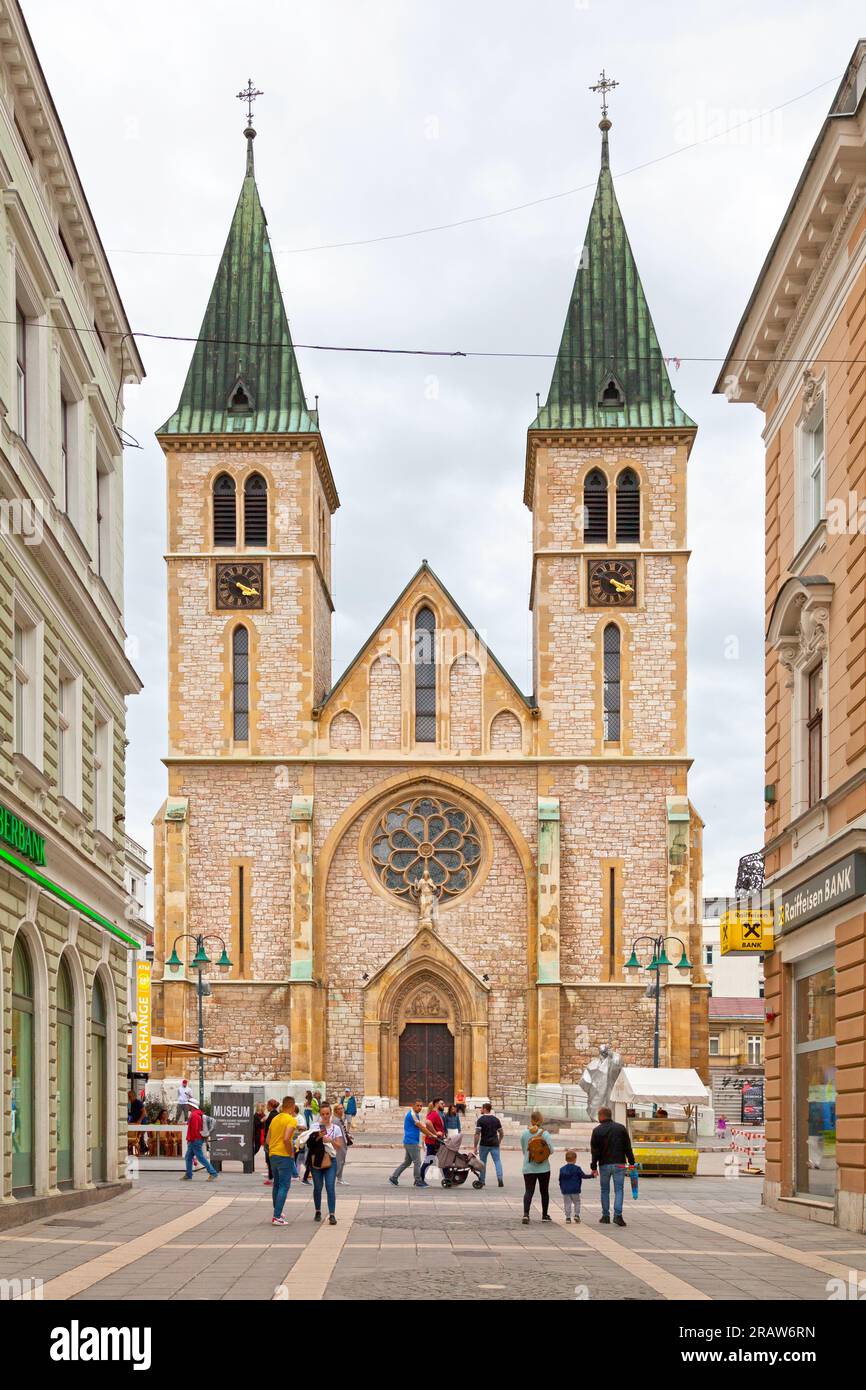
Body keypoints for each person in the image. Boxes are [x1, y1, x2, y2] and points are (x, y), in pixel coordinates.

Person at [590, 1106, 635, 1227]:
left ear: (601, 1116)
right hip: (619, 1164)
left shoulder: (597, 1131)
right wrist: (631, 1162)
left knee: (605, 1190)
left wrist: (593, 1167)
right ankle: (618, 1215)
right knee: (619, 1189)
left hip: (604, 1164)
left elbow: (595, 1151)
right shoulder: (621, 1128)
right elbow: (627, 1147)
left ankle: (605, 1216)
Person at [306, 1102, 343, 1225]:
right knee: (317, 1187)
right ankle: (317, 1211)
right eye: (323, 1114)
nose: (325, 1116)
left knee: (330, 1186)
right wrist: (318, 1137)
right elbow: (309, 1144)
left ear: (331, 1113)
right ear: (320, 1114)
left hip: (330, 1160)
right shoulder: (314, 1126)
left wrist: (330, 1140)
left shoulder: (335, 1128)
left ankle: (332, 1214)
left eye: (327, 1114)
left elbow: (339, 1146)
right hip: (316, 1160)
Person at [389, 1099, 437, 1187]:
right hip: (411, 1142)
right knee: (417, 1162)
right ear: (413, 1106)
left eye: (421, 1106)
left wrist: (429, 1134)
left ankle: (394, 1177)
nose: (420, 1108)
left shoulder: (416, 1114)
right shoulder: (412, 1115)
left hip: (409, 1141)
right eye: (418, 1105)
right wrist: (431, 1134)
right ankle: (418, 1181)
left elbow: (421, 1127)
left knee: (407, 1162)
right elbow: (421, 1127)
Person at [266, 1097, 298, 1225]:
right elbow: (286, 1138)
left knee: (277, 1185)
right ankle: (277, 1216)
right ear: (292, 1106)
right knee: (284, 1186)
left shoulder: (275, 1119)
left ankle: (277, 1211)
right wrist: (290, 1152)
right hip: (284, 1155)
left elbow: (268, 1139)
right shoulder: (291, 1120)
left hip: (273, 1154)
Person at [520, 1110, 554, 1223]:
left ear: (531, 1120)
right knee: (544, 1192)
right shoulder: (545, 1134)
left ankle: (526, 1214)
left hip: (528, 1167)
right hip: (544, 1168)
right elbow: (551, 1151)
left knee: (528, 1191)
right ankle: (544, 1215)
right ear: (541, 1120)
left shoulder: (524, 1133)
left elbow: (524, 1151)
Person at [180, 1100, 218, 1181]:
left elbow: (195, 1129)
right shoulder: (198, 1114)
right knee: (188, 1157)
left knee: (200, 1157)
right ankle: (188, 1174)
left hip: (194, 1140)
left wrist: (190, 1140)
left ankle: (213, 1172)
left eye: (188, 1105)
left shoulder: (194, 1115)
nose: (187, 1106)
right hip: (196, 1139)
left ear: (192, 1106)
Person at [558, 1149, 594, 1223]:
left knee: (567, 1203)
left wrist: (562, 1187)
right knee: (577, 1202)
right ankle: (576, 1215)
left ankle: (568, 1217)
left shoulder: (562, 1169)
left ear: (565, 1159)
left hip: (565, 1190)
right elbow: (583, 1176)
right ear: (575, 1159)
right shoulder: (577, 1169)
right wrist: (592, 1175)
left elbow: (560, 1179)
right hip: (575, 1189)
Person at [473, 1102, 504, 1188]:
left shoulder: (480, 1120)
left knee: (483, 1162)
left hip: (484, 1144)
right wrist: (499, 1141)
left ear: (485, 1109)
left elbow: (477, 1134)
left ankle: (482, 1180)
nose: (480, 1110)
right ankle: (500, 1178)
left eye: (482, 1108)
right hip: (494, 1143)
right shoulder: (496, 1120)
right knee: (497, 1161)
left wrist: (475, 1147)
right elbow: (501, 1133)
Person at [419, 1099, 446, 1185]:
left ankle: (448, 1178)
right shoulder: (434, 1114)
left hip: (436, 1141)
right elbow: (427, 1122)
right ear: (437, 1104)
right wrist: (435, 1133)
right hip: (432, 1142)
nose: (444, 1105)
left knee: (442, 1159)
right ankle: (420, 1179)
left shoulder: (436, 1114)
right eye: (442, 1103)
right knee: (429, 1160)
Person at [262, 1098, 280, 1186]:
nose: (266, 1107)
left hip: (270, 1140)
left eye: (267, 1105)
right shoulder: (277, 1114)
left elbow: (269, 1129)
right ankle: (273, 1177)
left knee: (269, 1160)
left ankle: (271, 1178)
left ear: (270, 1106)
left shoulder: (272, 1115)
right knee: (272, 1160)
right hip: (275, 1139)